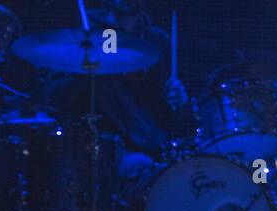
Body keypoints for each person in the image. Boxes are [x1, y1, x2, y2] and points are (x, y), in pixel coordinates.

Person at [41, 0, 190, 180]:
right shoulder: (85, 36)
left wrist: (179, 102)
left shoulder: (158, 41)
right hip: (97, 151)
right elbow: (53, 100)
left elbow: (176, 119)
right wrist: (81, 69)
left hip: (152, 146)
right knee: (140, 166)